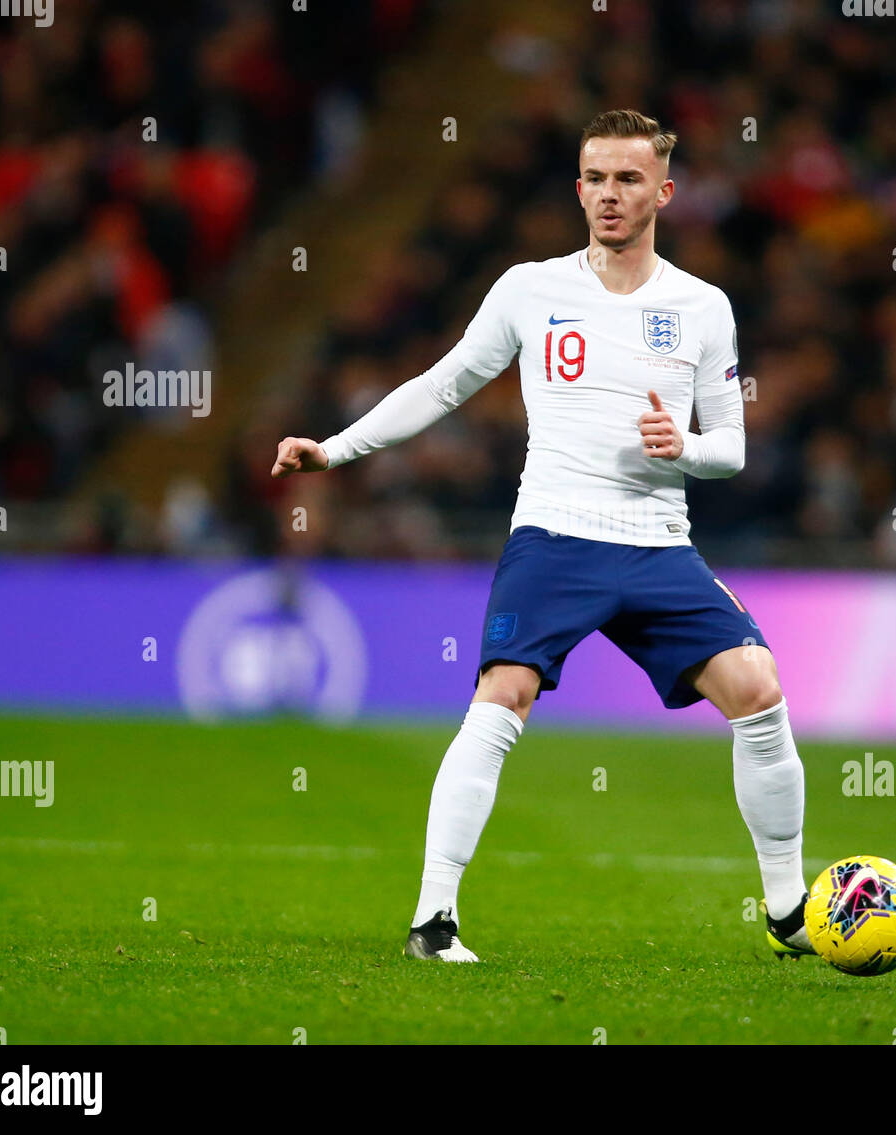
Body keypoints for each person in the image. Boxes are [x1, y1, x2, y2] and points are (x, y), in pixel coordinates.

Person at [272, 109, 812, 962]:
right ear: (578, 188)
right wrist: (336, 449)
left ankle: (788, 910)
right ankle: (433, 919)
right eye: (595, 178)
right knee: (503, 695)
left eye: (628, 179)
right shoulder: (531, 288)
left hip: (658, 542)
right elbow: (444, 383)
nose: (608, 194)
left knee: (759, 688)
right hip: (556, 535)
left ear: (663, 192)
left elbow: (733, 451)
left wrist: (689, 447)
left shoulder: (703, 308)